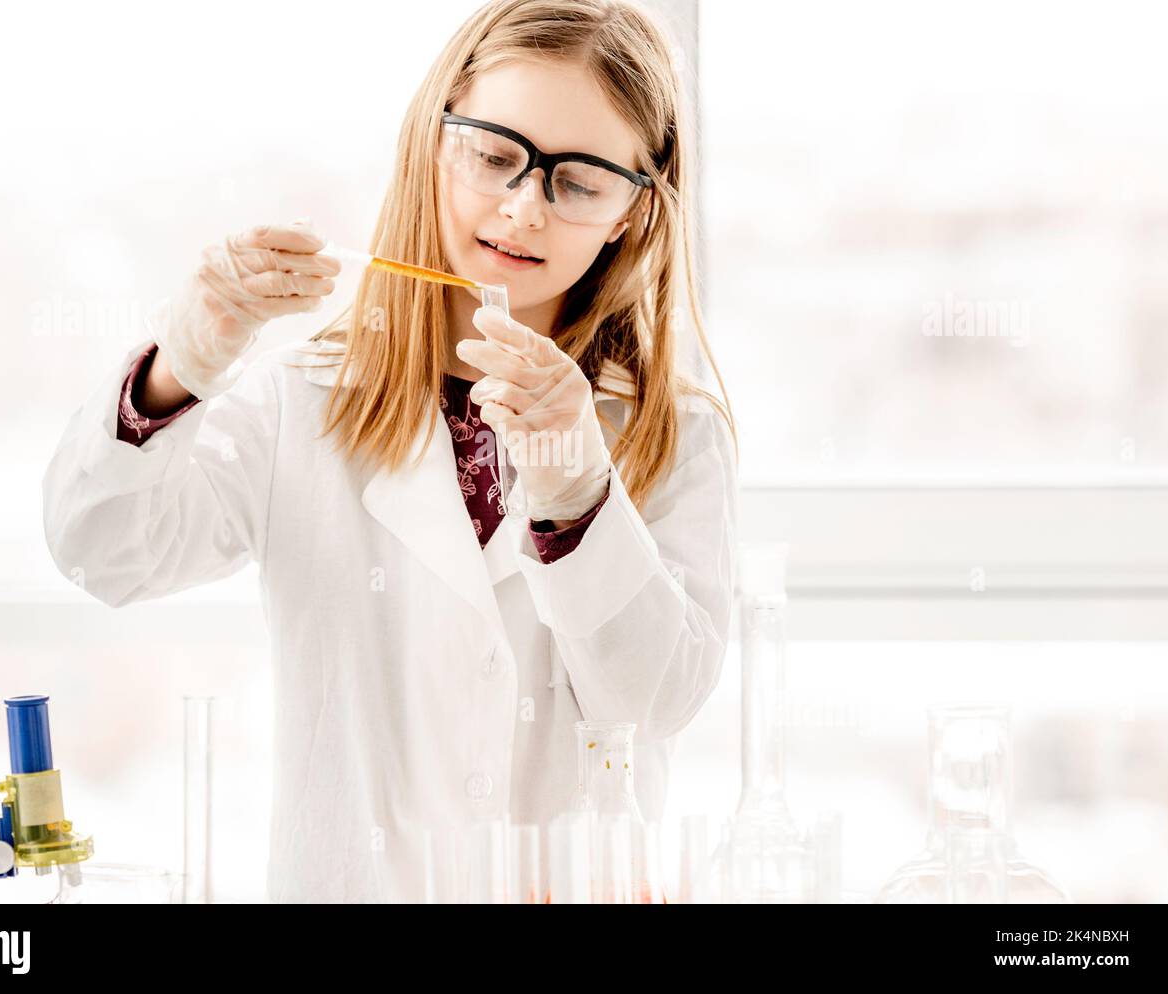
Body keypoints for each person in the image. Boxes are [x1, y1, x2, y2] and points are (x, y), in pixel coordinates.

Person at [42, 0, 738, 902]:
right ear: (434, 144)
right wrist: (185, 359)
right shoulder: (305, 402)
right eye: (495, 156)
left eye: (579, 181)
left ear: (632, 213)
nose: (523, 207)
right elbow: (102, 551)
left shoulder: (671, 431)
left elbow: (657, 704)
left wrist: (577, 488)